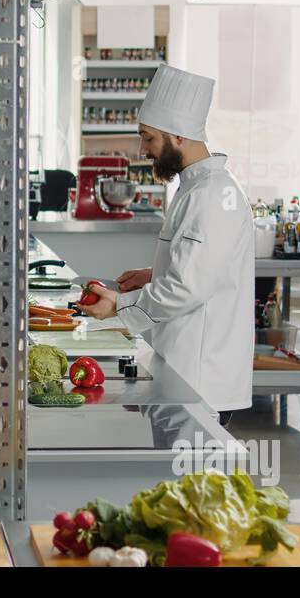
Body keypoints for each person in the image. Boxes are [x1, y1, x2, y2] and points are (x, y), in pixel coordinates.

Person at [77, 65, 255, 426]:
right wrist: (153, 273)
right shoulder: (196, 187)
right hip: (185, 370)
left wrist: (119, 305)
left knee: (191, 481)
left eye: (148, 138)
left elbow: (187, 287)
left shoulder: (211, 195)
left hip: (199, 380)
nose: (143, 150)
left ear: (177, 136)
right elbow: (200, 267)